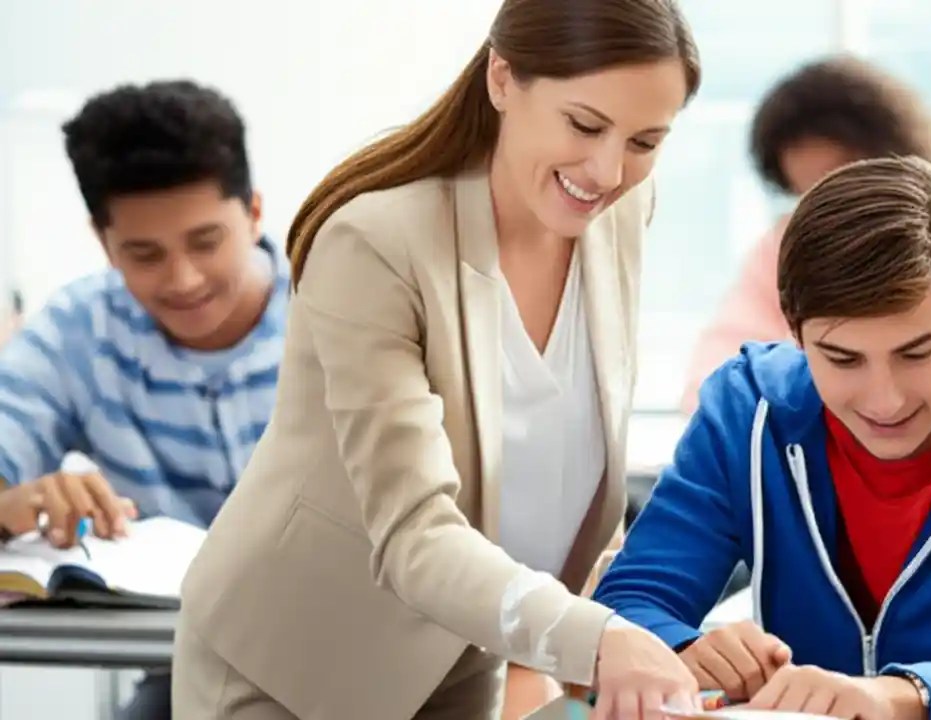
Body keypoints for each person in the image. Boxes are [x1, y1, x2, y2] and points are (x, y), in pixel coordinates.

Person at [171, 2, 704, 719]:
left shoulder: (619, 215)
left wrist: (621, 621)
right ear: (503, 79)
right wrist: (596, 639)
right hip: (290, 669)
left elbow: (565, 444)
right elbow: (413, 530)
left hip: (457, 664)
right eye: (584, 125)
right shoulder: (377, 242)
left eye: (645, 140)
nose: (609, 170)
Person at [594, 157, 931, 719]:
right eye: (843, 359)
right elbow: (629, 604)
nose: (886, 400)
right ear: (794, 330)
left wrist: (900, 698)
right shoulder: (745, 413)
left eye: (917, 353)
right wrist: (684, 649)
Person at [0, 80, 286, 719]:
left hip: (361, 670)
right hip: (188, 677)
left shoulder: (343, 307)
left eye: (206, 242)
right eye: (144, 254)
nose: (182, 279)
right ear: (104, 243)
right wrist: (11, 503)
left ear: (256, 212)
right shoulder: (80, 329)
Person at [681, 54, 931, 412]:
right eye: (807, 193)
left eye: (915, 352)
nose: (835, 209)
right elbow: (708, 392)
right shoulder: (782, 246)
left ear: (901, 153)